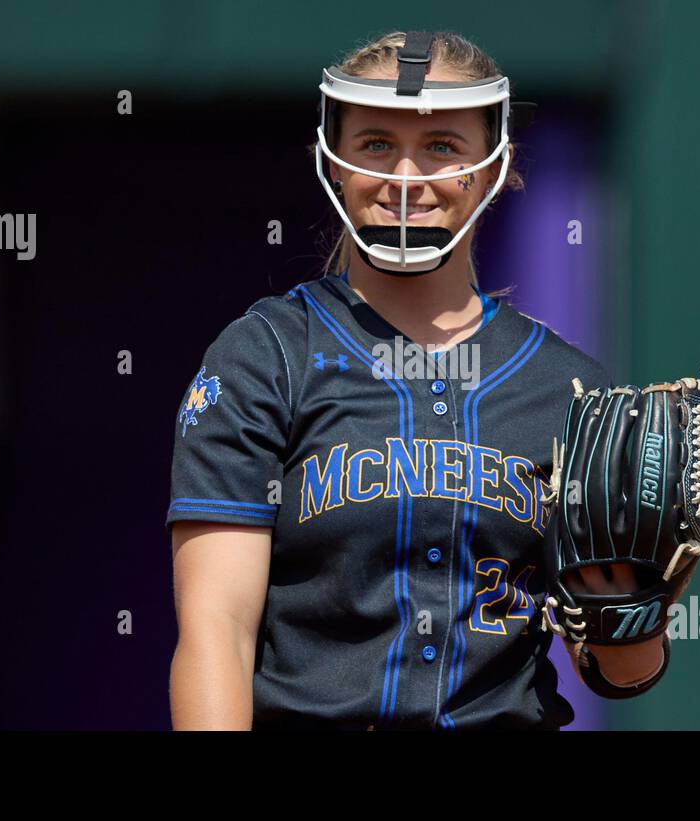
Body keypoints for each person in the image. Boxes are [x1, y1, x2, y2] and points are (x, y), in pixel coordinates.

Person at [166, 30, 664, 731]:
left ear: (494, 167)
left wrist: (636, 598)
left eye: (441, 146)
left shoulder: (570, 391)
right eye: (375, 144)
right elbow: (217, 627)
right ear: (331, 161)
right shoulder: (265, 358)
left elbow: (619, 668)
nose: (406, 176)